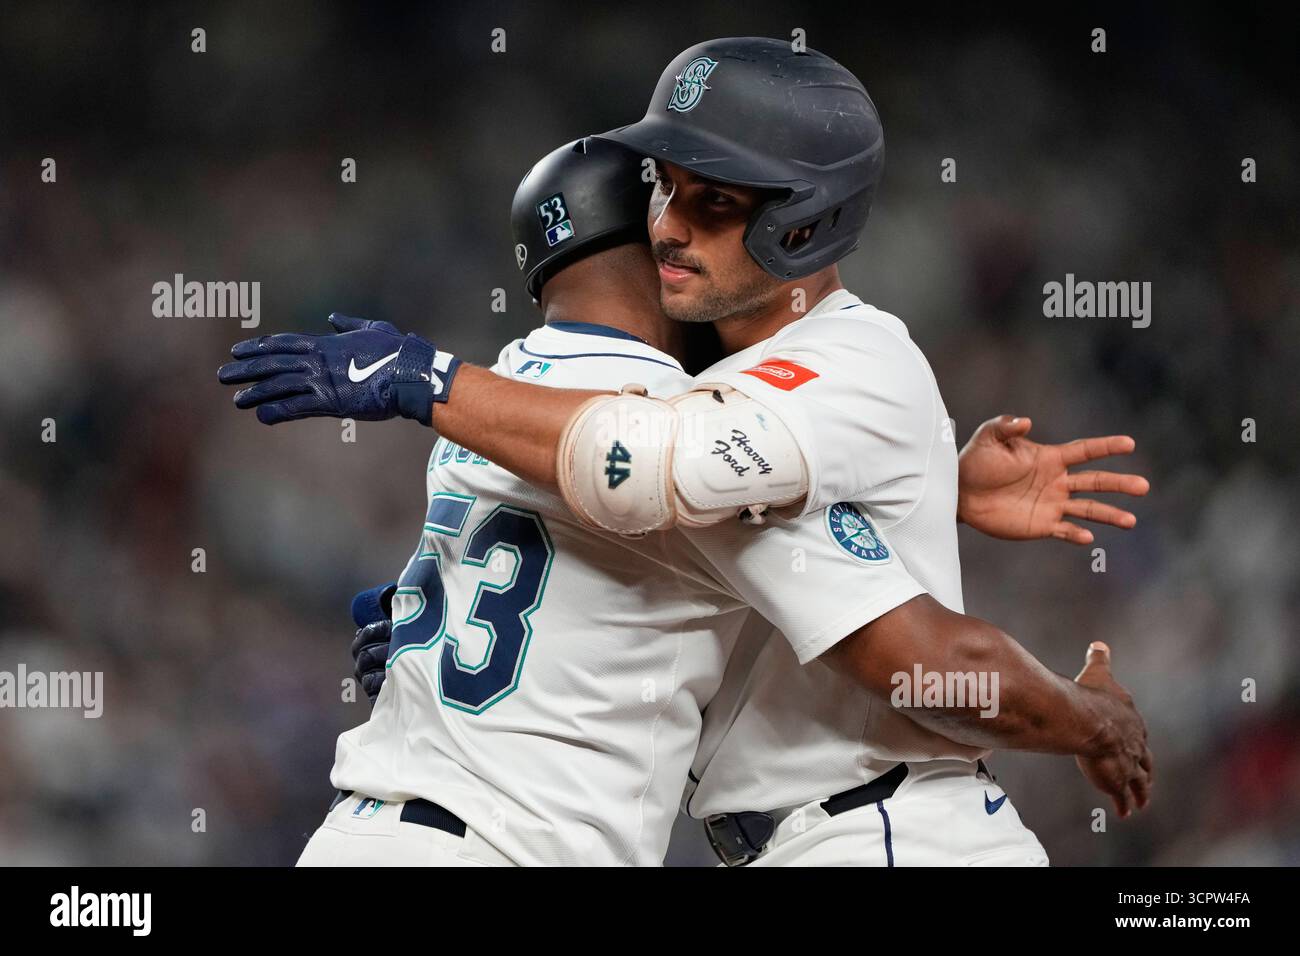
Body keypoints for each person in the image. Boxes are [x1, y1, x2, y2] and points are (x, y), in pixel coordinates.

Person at [221, 130, 1150, 865]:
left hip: (365, 832)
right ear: (654, 251)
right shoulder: (670, 431)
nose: (687, 235)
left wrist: (929, 480)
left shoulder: (501, 401)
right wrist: (1090, 719)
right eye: (672, 206)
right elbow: (929, 659)